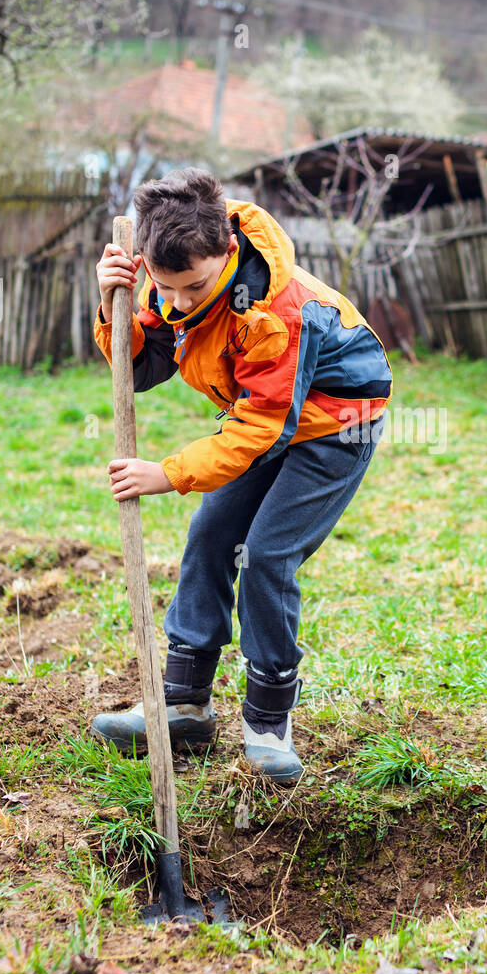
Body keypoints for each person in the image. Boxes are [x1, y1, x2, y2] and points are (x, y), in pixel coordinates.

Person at [89, 167, 391, 784]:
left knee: (264, 556)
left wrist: (168, 473)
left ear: (226, 250)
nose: (177, 303)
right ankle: (183, 706)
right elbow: (144, 368)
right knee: (209, 536)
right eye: (164, 288)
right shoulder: (172, 280)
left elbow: (260, 430)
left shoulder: (275, 312)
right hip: (264, 414)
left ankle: (267, 721)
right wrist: (111, 301)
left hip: (335, 424)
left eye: (191, 289)